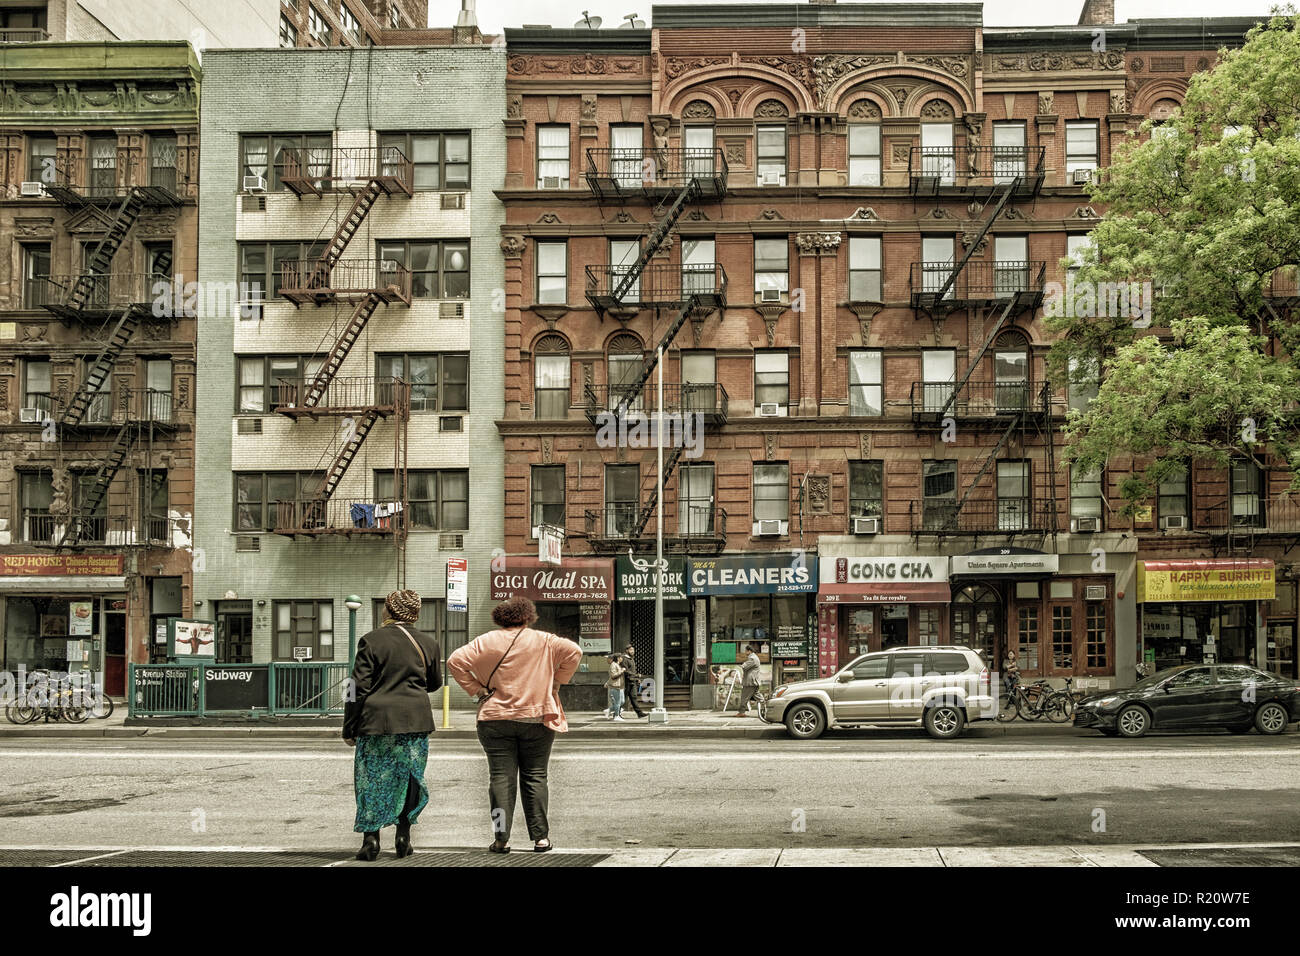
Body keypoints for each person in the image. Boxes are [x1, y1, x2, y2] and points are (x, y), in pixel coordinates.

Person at [447, 596, 581, 854]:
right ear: (528, 616)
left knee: (500, 778)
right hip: (536, 718)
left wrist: (477, 689)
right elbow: (575, 652)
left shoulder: (485, 641)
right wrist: (557, 682)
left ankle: (501, 839)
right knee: (536, 777)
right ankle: (540, 839)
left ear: (500, 618)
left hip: (495, 719)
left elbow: (455, 661)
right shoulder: (545, 640)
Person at [343, 589, 441, 861]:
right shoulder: (428, 643)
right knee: (409, 779)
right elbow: (434, 683)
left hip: (376, 721)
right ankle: (403, 837)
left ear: (389, 610)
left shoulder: (371, 641)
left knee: (371, 779)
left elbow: (356, 688)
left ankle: (371, 840)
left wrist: (349, 726)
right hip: (416, 721)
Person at [614, 644, 646, 718]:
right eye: (631, 650)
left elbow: (632, 670)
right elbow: (626, 671)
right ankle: (615, 713)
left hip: (632, 681)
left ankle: (639, 713)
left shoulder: (631, 659)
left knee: (633, 697)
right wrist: (636, 675)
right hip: (626, 681)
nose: (633, 651)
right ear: (627, 650)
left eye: (633, 650)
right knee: (622, 699)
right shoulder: (624, 659)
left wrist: (636, 678)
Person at [734, 643, 762, 717]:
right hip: (753, 682)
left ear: (749, 651)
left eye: (745, 651)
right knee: (758, 696)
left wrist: (741, 665)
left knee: (744, 697)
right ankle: (767, 707)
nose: (745, 652)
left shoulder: (752, 658)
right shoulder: (753, 657)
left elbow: (745, 666)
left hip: (750, 682)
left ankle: (741, 712)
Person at [605, 652, 627, 721]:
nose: (622, 659)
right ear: (618, 658)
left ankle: (609, 710)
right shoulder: (613, 665)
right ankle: (616, 716)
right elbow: (613, 676)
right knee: (617, 702)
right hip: (615, 686)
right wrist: (622, 671)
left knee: (622, 701)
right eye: (621, 657)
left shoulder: (617, 665)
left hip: (620, 686)